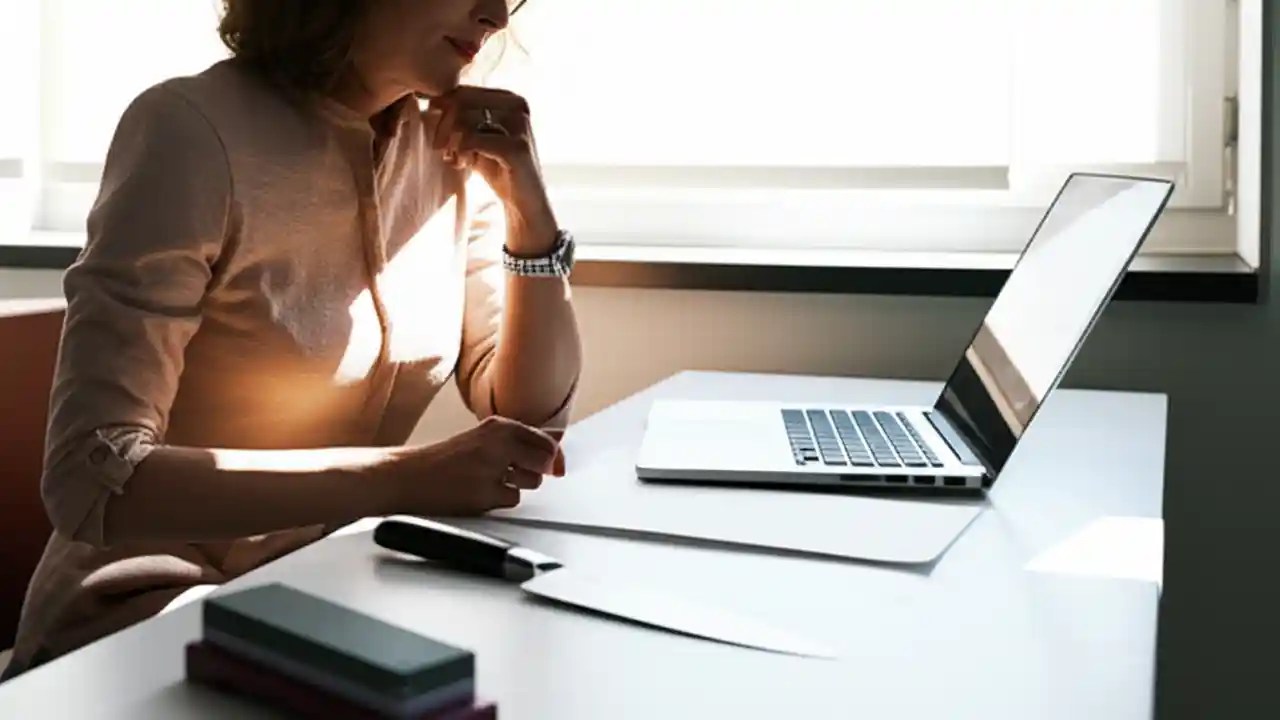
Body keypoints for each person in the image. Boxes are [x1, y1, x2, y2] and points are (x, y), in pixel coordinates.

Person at [2, 0, 580, 679]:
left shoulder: (451, 151)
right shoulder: (189, 131)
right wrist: (406, 479)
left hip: (329, 595)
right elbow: (92, 479)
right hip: (144, 619)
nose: (493, 16)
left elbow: (532, 418)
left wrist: (531, 213)